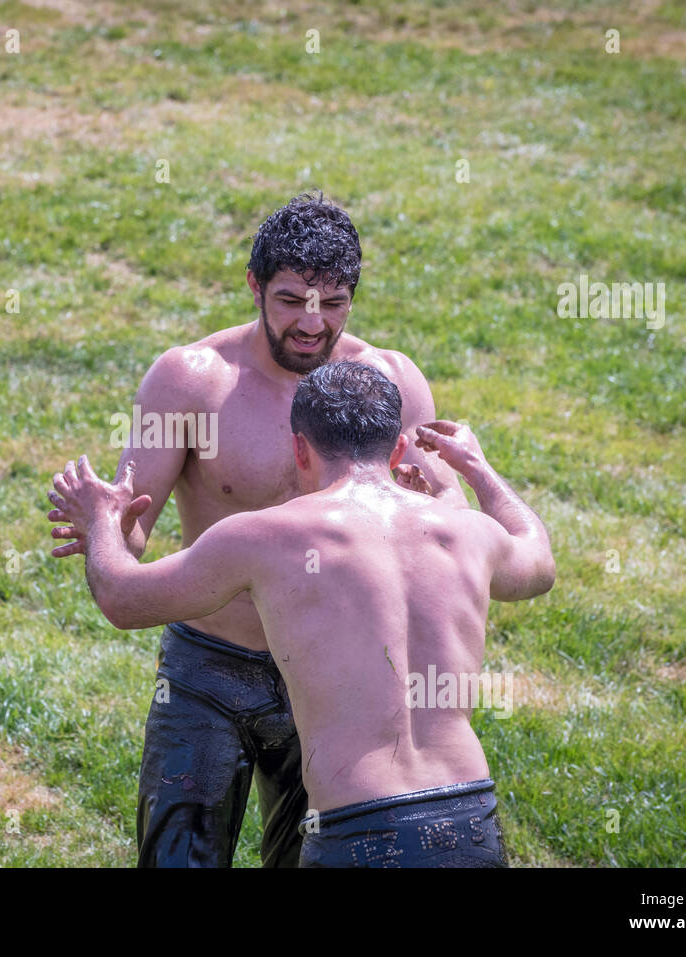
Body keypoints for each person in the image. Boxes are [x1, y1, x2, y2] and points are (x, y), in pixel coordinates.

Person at [48, 192, 466, 867]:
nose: (311, 322)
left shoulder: (387, 384)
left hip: (334, 667)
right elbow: (132, 533)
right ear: (254, 286)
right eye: (292, 298)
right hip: (207, 668)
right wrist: (103, 527)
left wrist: (441, 495)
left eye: (332, 303)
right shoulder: (192, 382)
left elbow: (434, 537)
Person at [50, 361, 555, 867]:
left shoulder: (264, 536)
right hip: (470, 819)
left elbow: (122, 597)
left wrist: (102, 521)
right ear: (397, 447)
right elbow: (539, 562)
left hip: (358, 830)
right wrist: (477, 468)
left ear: (299, 449)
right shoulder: (464, 530)